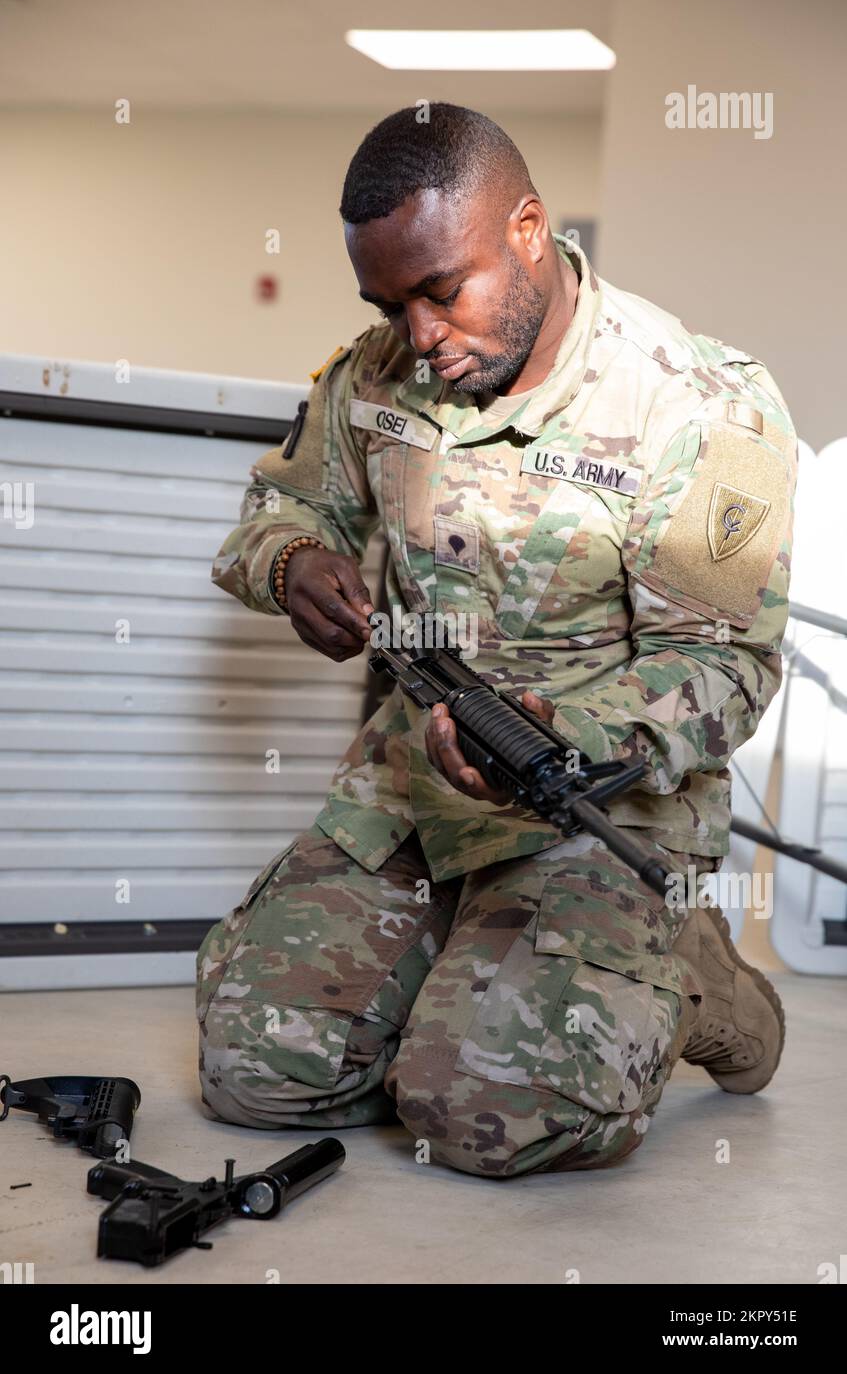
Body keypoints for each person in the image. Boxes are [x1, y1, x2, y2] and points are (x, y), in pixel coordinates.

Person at [196, 104, 795, 1178]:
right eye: (388, 301)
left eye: (440, 289)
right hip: (412, 790)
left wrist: (559, 731)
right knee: (259, 1074)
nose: (419, 333)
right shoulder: (375, 373)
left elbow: (725, 664)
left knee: (476, 1116)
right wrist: (292, 566)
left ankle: (689, 970)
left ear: (527, 228)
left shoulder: (703, 405)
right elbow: (273, 515)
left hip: (596, 803)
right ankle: (473, 951)